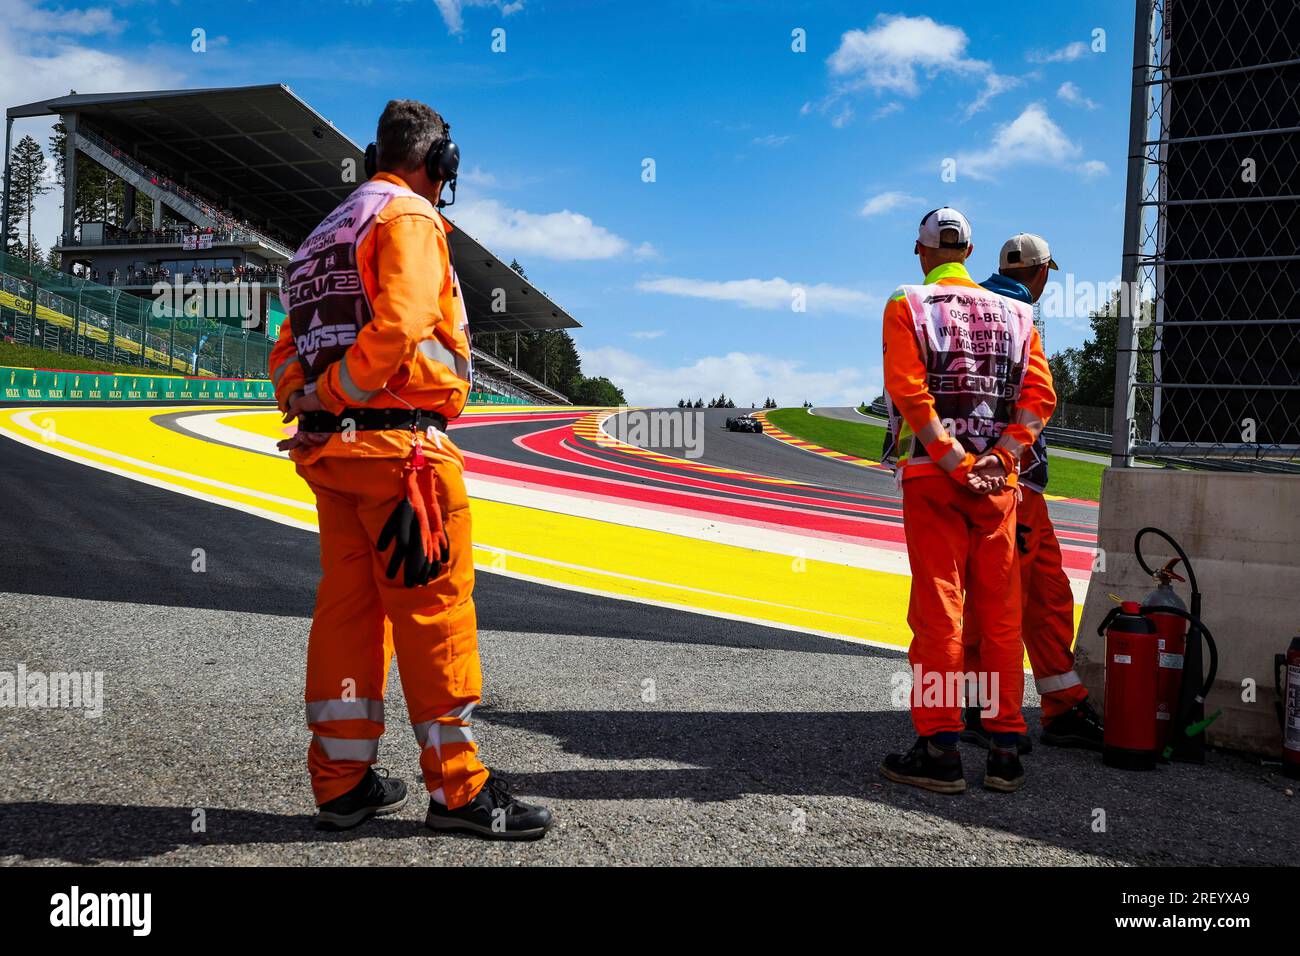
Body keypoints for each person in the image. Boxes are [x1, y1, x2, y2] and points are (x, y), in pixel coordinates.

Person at [269, 99, 553, 839]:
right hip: (405, 454)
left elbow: (285, 349)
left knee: (348, 615)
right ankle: (458, 792)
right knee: (434, 617)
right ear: (440, 165)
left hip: (331, 455)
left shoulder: (320, 236)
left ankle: (341, 782)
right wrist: (341, 392)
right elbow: (398, 325)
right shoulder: (410, 220)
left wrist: (308, 401)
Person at [878, 208, 1056, 794]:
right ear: (972, 251)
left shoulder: (907, 303)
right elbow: (1038, 398)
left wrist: (953, 460)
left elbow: (909, 391)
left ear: (922, 252)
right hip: (999, 486)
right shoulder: (1018, 313)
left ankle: (940, 747)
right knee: (1002, 616)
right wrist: (1001, 458)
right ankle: (1006, 747)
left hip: (934, 477)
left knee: (939, 613)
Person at [961, 234, 1104, 751]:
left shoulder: (979, 306)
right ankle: (975, 709)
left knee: (1046, 596)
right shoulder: (1014, 314)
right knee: (997, 597)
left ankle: (1061, 705)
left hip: (1022, 485)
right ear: (1042, 273)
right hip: (1007, 482)